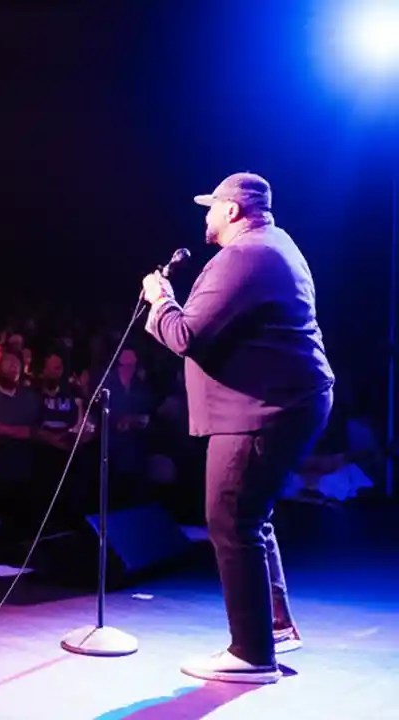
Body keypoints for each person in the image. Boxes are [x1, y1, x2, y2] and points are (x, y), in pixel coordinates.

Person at [142, 173, 334, 684]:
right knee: (251, 515)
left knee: (229, 518)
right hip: (287, 400)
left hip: (263, 408)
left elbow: (185, 334)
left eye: (211, 207)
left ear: (231, 211)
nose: (205, 215)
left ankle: (251, 654)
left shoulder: (243, 256)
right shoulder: (277, 245)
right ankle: (273, 627)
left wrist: (160, 298)